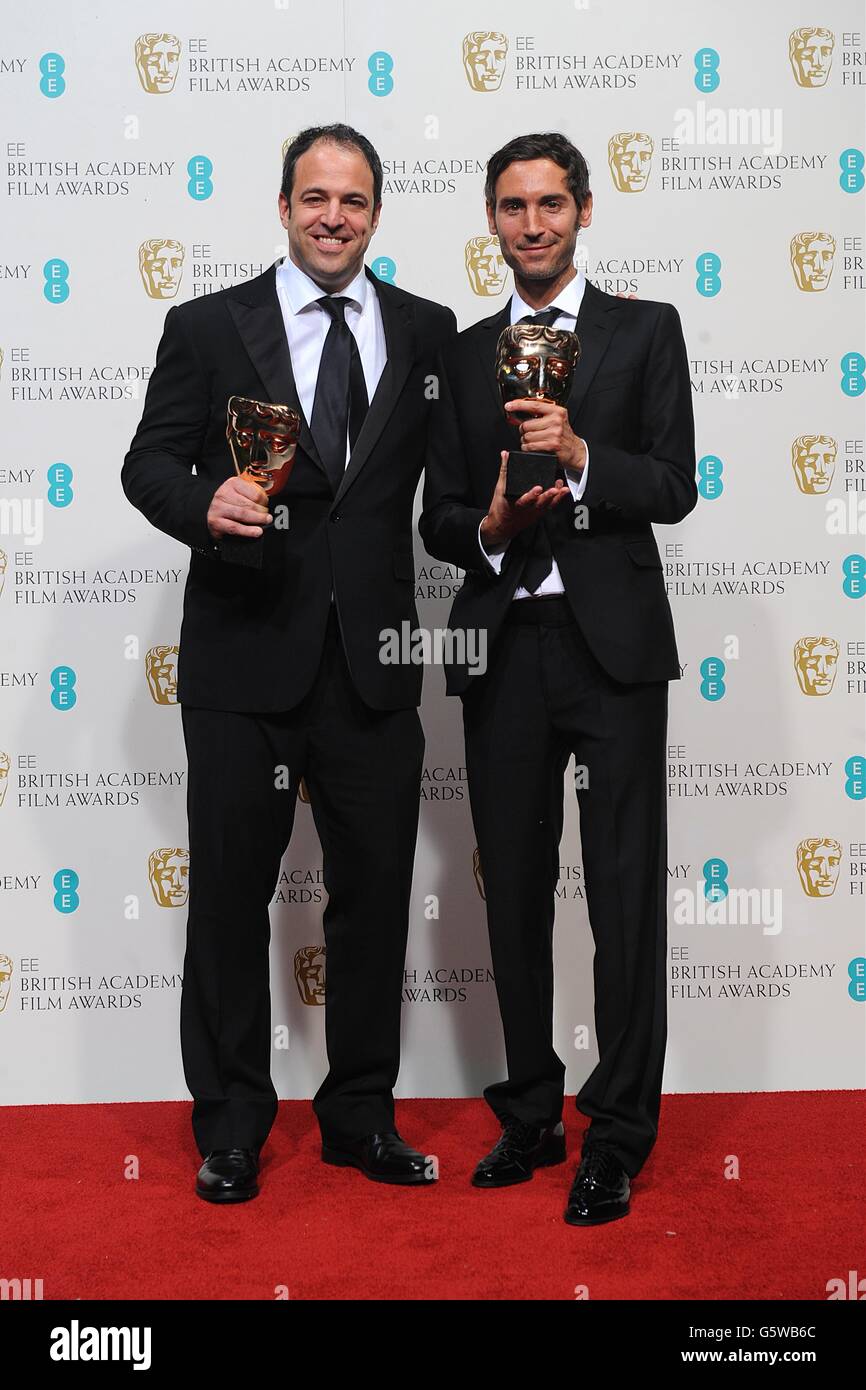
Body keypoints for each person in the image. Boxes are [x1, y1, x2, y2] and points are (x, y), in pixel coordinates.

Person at [123, 123, 456, 1202]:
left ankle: (360, 1114)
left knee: (373, 895)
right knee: (227, 897)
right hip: (241, 658)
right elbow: (146, 461)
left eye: (352, 201)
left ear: (375, 214)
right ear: (280, 206)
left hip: (371, 669)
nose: (331, 216)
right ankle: (228, 1123)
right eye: (313, 197)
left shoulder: (426, 330)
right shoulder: (208, 324)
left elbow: (438, 492)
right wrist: (199, 502)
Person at [419, 131, 697, 1225]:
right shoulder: (461, 351)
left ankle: (616, 1132)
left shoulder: (644, 330)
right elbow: (439, 515)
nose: (530, 224)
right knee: (515, 893)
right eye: (509, 206)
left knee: (624, 895)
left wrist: (584, 459)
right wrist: (484, 528)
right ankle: (529, 1111)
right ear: (489, 220)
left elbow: (673, 483)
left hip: (613, 649)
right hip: (502, 648)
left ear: (583, 209)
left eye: (548, 204)